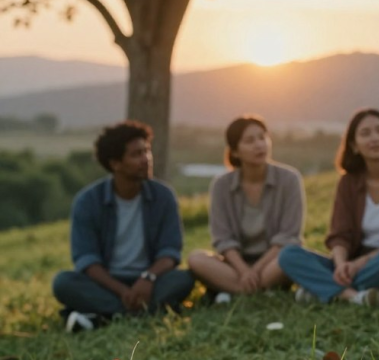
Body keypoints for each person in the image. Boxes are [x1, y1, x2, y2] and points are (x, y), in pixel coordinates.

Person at [52, 121, 194, 332]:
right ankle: (145, 310)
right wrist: (122, 291)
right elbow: (87, 259)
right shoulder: (88, 201)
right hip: (107, 282)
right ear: (115, 163)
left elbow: (170, 251)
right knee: (63, 283)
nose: (146, 159)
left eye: (147, 151)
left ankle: (101, 315)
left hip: (151, 279)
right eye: (136, 154)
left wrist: (148, 278)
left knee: (184, 279)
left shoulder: (163, 196)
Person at [278, 108, 379, 305]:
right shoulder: (348, 182)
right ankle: (353, 296)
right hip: (353, 261)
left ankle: (323, 291)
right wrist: (341, 265)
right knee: (289, 255)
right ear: (354, 145)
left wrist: (359, 264)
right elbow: (340, 234)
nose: (375, 138)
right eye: (365, 134)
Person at [188, 116, 305, 301]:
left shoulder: (289, 179)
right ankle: (258, 290)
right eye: (249, 141)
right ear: (235, 152)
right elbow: (223, 239)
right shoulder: (221, 185)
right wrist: (244, 271)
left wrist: (255, 271)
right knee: (195, 259)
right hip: (235, 265)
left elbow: (288, 237)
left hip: (273, 262)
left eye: (262, 138)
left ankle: (230, 290)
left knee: (292, 256)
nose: (259, 145)